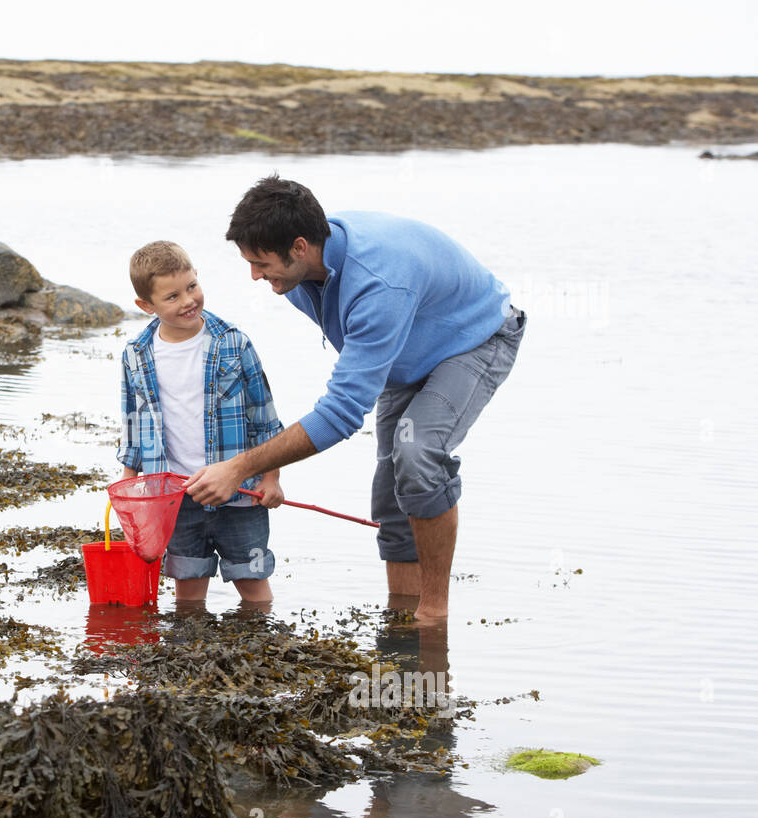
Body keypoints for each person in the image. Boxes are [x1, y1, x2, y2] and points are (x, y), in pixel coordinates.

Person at [186, 176, 526, 622]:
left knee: (418, 452)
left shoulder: (379, 283)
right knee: (390, 487)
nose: (254, 275)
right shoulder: (298, 275)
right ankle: (402, 619)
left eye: (260, 262)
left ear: (301, 246)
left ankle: (434, 616)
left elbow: (343, 413)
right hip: (408, 349)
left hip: (476, 337)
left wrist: (241, 467)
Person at [118, 240, 285, 605]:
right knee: (188, 585)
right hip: (176, 496)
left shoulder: (234, 344)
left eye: (192, 286)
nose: (188, 301)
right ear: (146, 306)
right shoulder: (136, 355)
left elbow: (265, 418)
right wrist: (129, 487)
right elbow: (132, 425)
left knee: (252, 581)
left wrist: (271, 479)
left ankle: (261, 645)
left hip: (241, 494)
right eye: (172, 296)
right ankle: (187, 651)